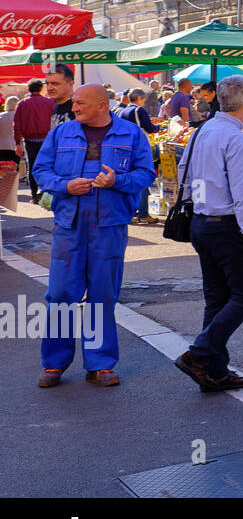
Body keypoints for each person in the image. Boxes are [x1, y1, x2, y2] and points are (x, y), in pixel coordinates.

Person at [32, 85, 155, 388]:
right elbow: (40, 170)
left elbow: (146, 174)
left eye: (80, 103)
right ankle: (54, 363)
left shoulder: (131, 133)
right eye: (74, 103)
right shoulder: (61, 134)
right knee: (61, 294)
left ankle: (100, 363)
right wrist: (64, 186)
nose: (74, 108)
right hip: (69, 224)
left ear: (102, 105)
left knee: (102, 294)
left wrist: (118, 180)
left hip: (109, 224)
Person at [173, 76, 243, 393]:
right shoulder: (235, 139)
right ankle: (199, 355)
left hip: (201, 220)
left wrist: (197, 203)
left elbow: (183, 174)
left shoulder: (203, 131)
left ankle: (213, 369)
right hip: (225, 225)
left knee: (217, 299)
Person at [119, 89, 160, 224]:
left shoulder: (123, 111)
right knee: (143, 178)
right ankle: (143, 213)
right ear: (137, 98)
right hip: (139, 148)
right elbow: (149, 128)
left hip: (126, 148)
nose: (144, 102)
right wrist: (158, 127)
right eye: (143, 99)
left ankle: (130, 212)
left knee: (130, 180)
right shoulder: (138, 111)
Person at [14, 79, 54, 198]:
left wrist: (17, 142)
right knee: (47, 166)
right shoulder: (49, 103)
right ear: (41, 88)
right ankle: (46, 192)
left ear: (28, 89)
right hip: (47, 139)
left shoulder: (22, 104)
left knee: (31, 166)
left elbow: (17, 124)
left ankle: (34, 194)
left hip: (29, 140)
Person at [46, 63, 76, 129]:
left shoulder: (78, 107)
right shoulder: (55, 106)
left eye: (55, 84)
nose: (49, 88)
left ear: (70, 84)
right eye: (47, 83)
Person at [0, 96, 19, 167]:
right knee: (16, 170)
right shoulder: (19, 116)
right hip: (16, 147)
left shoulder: (1, 116)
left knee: (2, 170)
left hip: (1, 146)